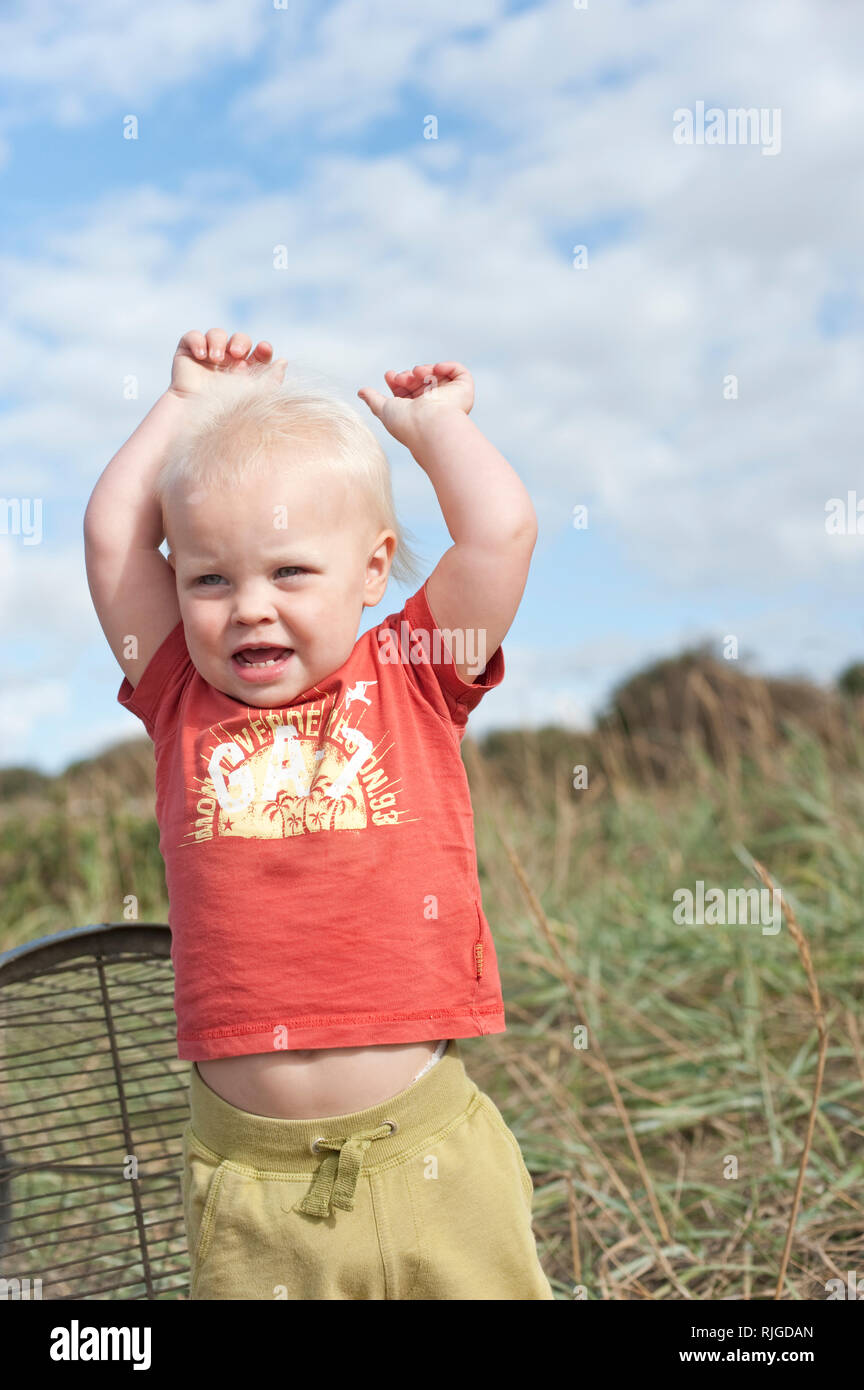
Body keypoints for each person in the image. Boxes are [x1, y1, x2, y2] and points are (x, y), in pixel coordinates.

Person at [84, 326, 554, 1300]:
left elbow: (500, 532)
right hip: (252, 1182)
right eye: (209, 577)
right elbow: (112, 534)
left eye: (290, 572)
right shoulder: (181, 696)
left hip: (432, 1152)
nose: (248, 606)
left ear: (373, 571)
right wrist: (188, 406)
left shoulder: (416, 674)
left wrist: (433, 430)